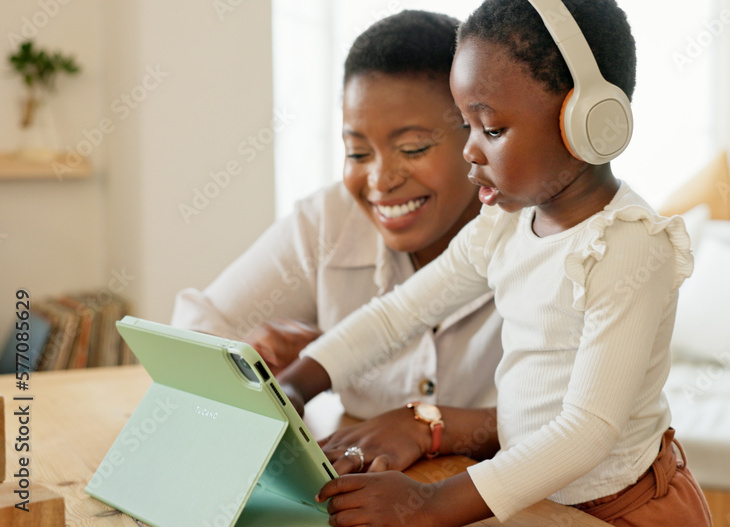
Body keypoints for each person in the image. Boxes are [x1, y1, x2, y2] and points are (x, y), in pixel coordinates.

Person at [278, 1, 713, 525]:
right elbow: (400, 314)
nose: (469, 150)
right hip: (534, 493)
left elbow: (588, 431)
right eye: (466, 125)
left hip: (619, 510)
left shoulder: (627, 244)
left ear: (586, 122)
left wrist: (434, 504)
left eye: (491, 129)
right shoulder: (505, 224)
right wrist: (299, 382)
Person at [169, 10, 505, 475]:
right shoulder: (329, 221)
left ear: (478, 136)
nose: (380, 179)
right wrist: (253, 368)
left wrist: (428, 425)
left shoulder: (540, 230)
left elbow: (576, 417)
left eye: (412, 149)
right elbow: (195, 332)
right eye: (357, 153)